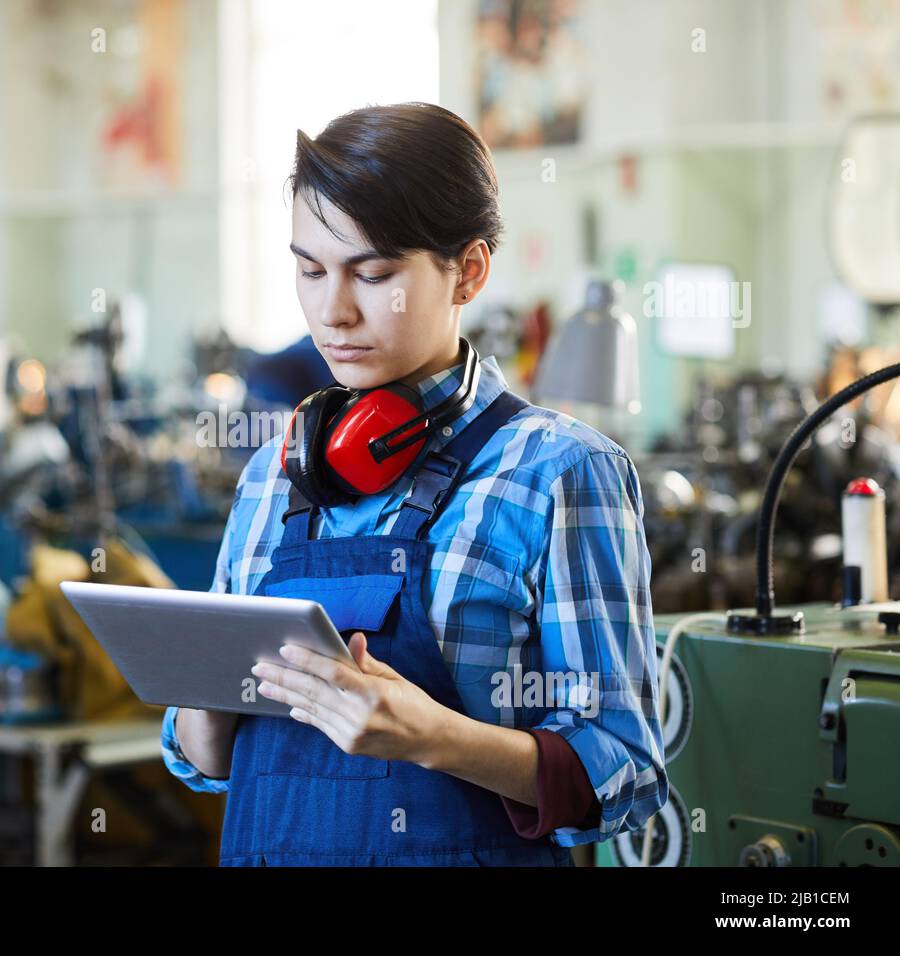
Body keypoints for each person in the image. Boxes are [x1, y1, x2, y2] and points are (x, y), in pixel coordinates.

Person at [161, 102, 665, 866]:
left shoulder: (557, 471)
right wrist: (203, 700)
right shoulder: (273, 475)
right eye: (309, 270)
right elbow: (209, 765)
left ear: (468, 271)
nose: (332, 311)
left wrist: (436, 737)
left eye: (374, 273)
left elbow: (626, 770)